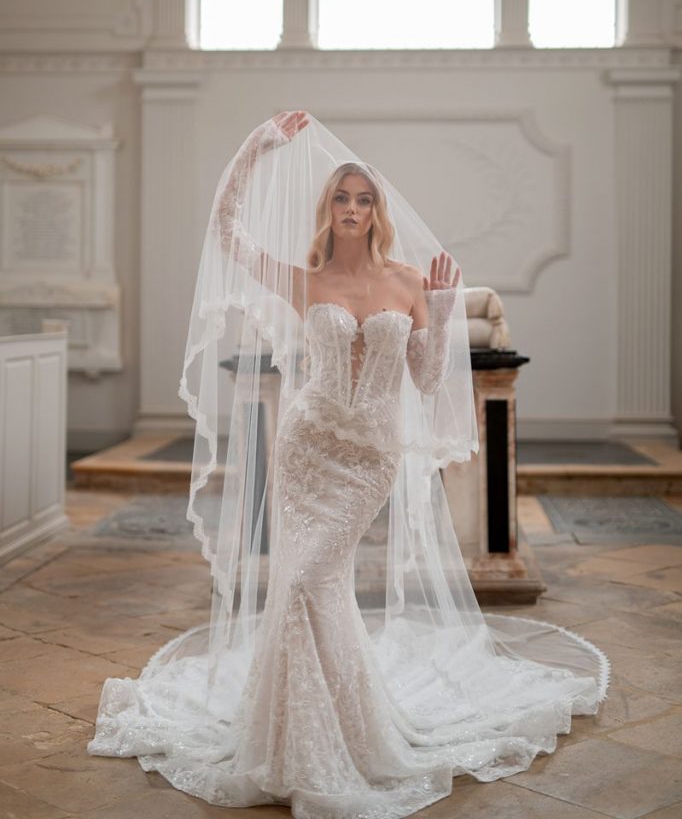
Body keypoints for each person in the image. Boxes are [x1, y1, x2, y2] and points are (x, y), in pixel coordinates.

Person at [88, 112, 609, 819]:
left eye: (365, 199)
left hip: (368, 460)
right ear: (328, 210)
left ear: (377, 211)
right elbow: (226, 235)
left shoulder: (407, 281)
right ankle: (302, 733)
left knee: (308, 581)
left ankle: (336, 730)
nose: (354, 210)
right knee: (309, 585)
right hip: (309, 446)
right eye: (343, 198)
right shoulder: (306, 281)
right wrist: (254, 147)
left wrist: (447, 306)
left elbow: (424, 382)